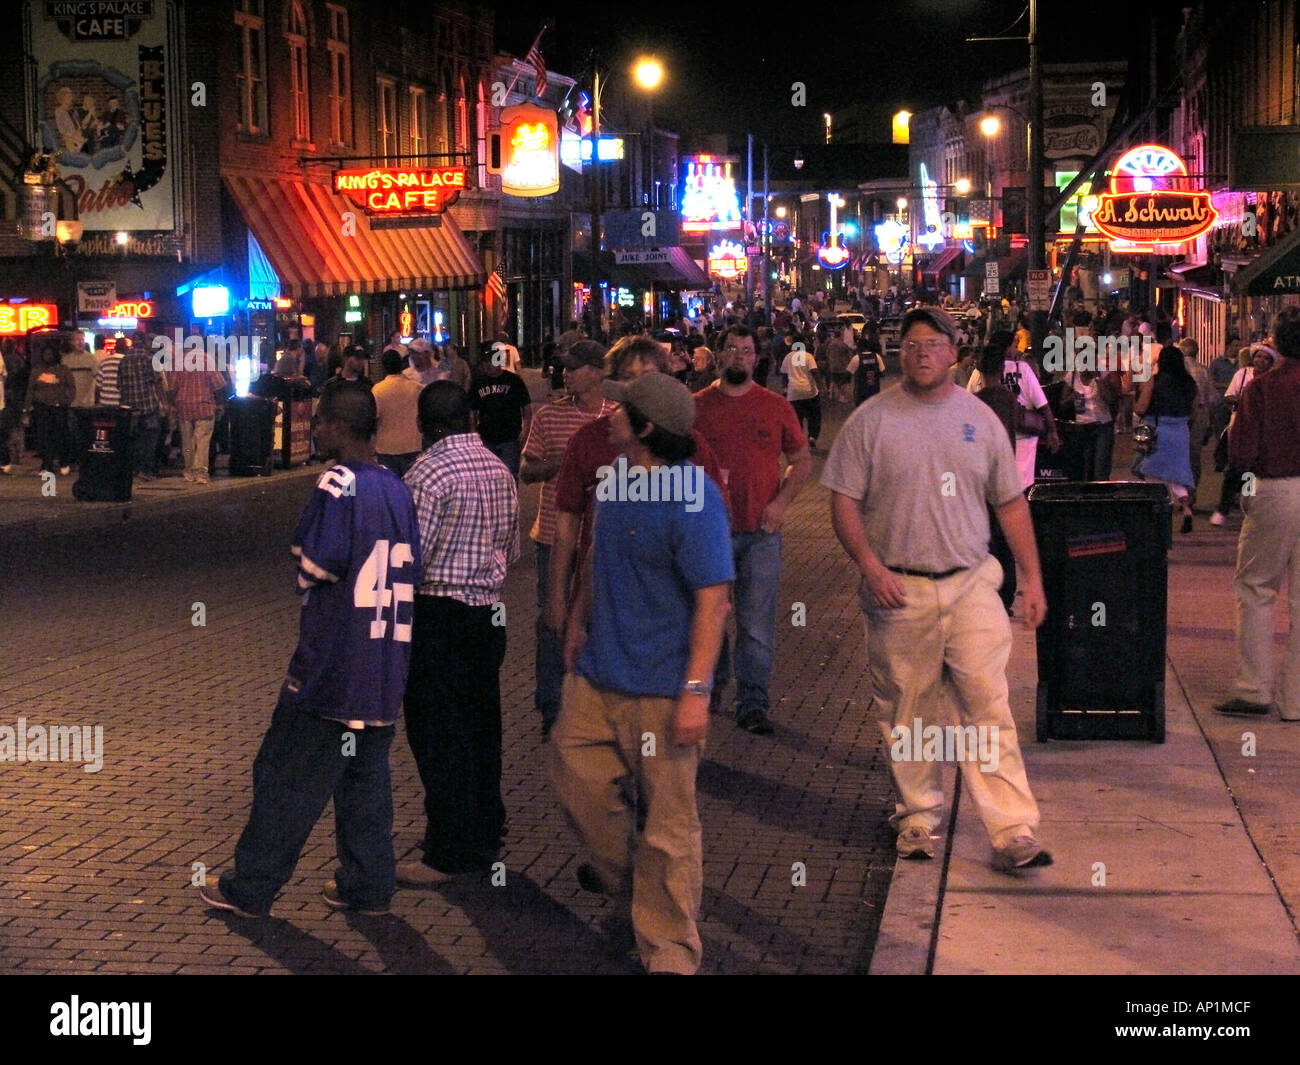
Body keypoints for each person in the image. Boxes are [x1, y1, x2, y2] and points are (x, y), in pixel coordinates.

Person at [821, 306, 1052, 873]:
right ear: (900, 351)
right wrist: (871, 567)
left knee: (987, 705)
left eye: (934, 342)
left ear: (954, 352)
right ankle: (917, 815)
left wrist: (1032, 578)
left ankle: (1013, 829)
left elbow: (1010, 503)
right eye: (912, 342)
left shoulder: (981, 420)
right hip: (899, 590)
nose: (922, 352)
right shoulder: (870, 421)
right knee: (908, 711)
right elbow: (843, 502)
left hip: (972, 583)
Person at [197, 382, 421, 917]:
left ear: (341, 427)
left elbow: (314, 565)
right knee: (365, 780)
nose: (314, 430)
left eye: (320, 421)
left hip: (333, 666)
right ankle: (368, 887)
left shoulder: (337, 482)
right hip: (384, 663)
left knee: (285, 775)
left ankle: (250, 887)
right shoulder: (397, 486)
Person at [550, 372, 733, 974]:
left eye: (623, 409)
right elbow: (597, 557)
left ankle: (670, 951)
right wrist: (577, 619)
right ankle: (629, 881)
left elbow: (713, 599)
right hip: (598, 674)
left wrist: (697, 693)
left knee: (670, 827)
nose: (612, 415)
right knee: (576, 779)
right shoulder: (616, 484)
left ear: (647, 427)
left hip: (663, 687)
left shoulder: (695, 498)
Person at [398, 382, 519, 885]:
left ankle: (448, 848)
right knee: (481, 723)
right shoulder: (498, 467)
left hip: (439, 612)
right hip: (487, 612)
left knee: (436, 731)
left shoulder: (426, 473)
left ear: (425, 425)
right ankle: (484, 829)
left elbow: (411, 555)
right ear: (469, 416)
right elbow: (510, 549)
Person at [544, 337, 726, 641]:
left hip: (668, 614)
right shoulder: (591, 442)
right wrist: (559, 599)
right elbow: (569, 526)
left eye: (648, 379)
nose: (638, 391)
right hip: (603, 606)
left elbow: (714, 543)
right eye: (628, 379)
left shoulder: (689, 448)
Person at [694, 325, 812, 734]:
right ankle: (711, 687)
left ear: (756, 357)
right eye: (732, 350)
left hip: (761, 530)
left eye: (746, 351)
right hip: (710, 533)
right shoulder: (697, 407)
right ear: (719, 355)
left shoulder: (775, 406)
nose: (739, 357)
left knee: (755, 620)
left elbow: (801, 460)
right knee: (709, 615)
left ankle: (753, 701)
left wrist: (781, 502)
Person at [521, 340, 616, 737]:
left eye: (575, 368)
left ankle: (596, 706)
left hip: (604, 538)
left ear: (597, 372)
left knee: (600, 619)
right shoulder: (549, 416)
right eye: (566, 368)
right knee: (553, 617)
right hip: (553, 534)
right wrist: (567, 462)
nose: (567, 374)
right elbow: (527, 470)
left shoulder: (618, 419)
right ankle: (552, 706)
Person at [1213, 308, 1300, 720]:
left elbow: (1242, 451)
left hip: (1276, 487)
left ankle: (1254, 688)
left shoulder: (1263, 389)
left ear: (1277, 342)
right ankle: (1296, 699)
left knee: (1256, 588)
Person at [1133, 344, 1199, 533]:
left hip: (1159, 429)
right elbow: (1194, 411)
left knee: (1151, 473)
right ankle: (1186, 509)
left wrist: (1134, 402)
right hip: (1181, 430)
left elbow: (1141, 408)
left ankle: (1161, 513)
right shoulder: (1190, 383)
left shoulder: (1154, 381)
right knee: (1178, 473)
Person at [1211, 343, 1277, 526]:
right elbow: (1228, 396)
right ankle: (1223, 508)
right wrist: (1241, 400)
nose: (1261, 361)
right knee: (1236, 466)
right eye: (1259, 357)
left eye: (1266, 358)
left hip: (1263, 429)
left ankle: (1247, 505)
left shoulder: (1272, 380)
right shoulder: (1243, 374)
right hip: (1240, 425)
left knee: (1253, 469)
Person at [469, 346, 532, 478]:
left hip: (510, 437)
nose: (486, 365)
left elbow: (526, 408)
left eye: (490, 361)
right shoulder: (478, 383)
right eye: (484, 362)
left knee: (509, 475)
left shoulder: (513, 381)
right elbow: (472, 410)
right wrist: (474, 432)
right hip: (486, 437)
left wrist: (525, 431)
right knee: (488, 476)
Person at [168, 356, 227, 485]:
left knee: (187, 441)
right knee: (202, 440)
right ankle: (200, 472)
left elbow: (172, 387)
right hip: (204, 405)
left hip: (183, 405)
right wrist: (220, 404)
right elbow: (219, 385)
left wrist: (173, 404)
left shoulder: (179, 361)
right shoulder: (207, 360)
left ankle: (189, 471)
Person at [23, 342, 75, 476]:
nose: (48, 356)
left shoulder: (63, 370)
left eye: (50, 354)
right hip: (41, 408)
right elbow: (30, 389)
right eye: (45, 354)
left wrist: (66, 401)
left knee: (61, 435)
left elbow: (72, 387)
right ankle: (47, 464)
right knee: (43, 437)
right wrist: (26, 409)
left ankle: (64, 462)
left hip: (58, 407)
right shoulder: (37, 370)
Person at [371, 349, 424, 478]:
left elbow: (375, 419)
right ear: (401, 365)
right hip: (412, 445)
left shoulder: (378, 390)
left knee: (390, 488)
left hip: (386, 447)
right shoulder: (416, 388)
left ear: (384, 367)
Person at [1178, 338, 1216, 506]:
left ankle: (1182, 492)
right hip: (1200, 415)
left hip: (1178, 416)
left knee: (1179, 454)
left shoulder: (1176, 370)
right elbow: (1213, 398)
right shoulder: (1204, 371)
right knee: (1194, 455)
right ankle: (1191, 492)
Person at [780, 338, 821, 449]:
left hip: (793, 393)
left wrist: (784, 388)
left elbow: (784, 374)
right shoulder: (808, 356)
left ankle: (799, 439)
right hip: (809, 392)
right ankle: (812, 436)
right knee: (814, 416)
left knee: (797, 418)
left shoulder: (788, 357)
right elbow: (815, 372)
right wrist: (821, 387)